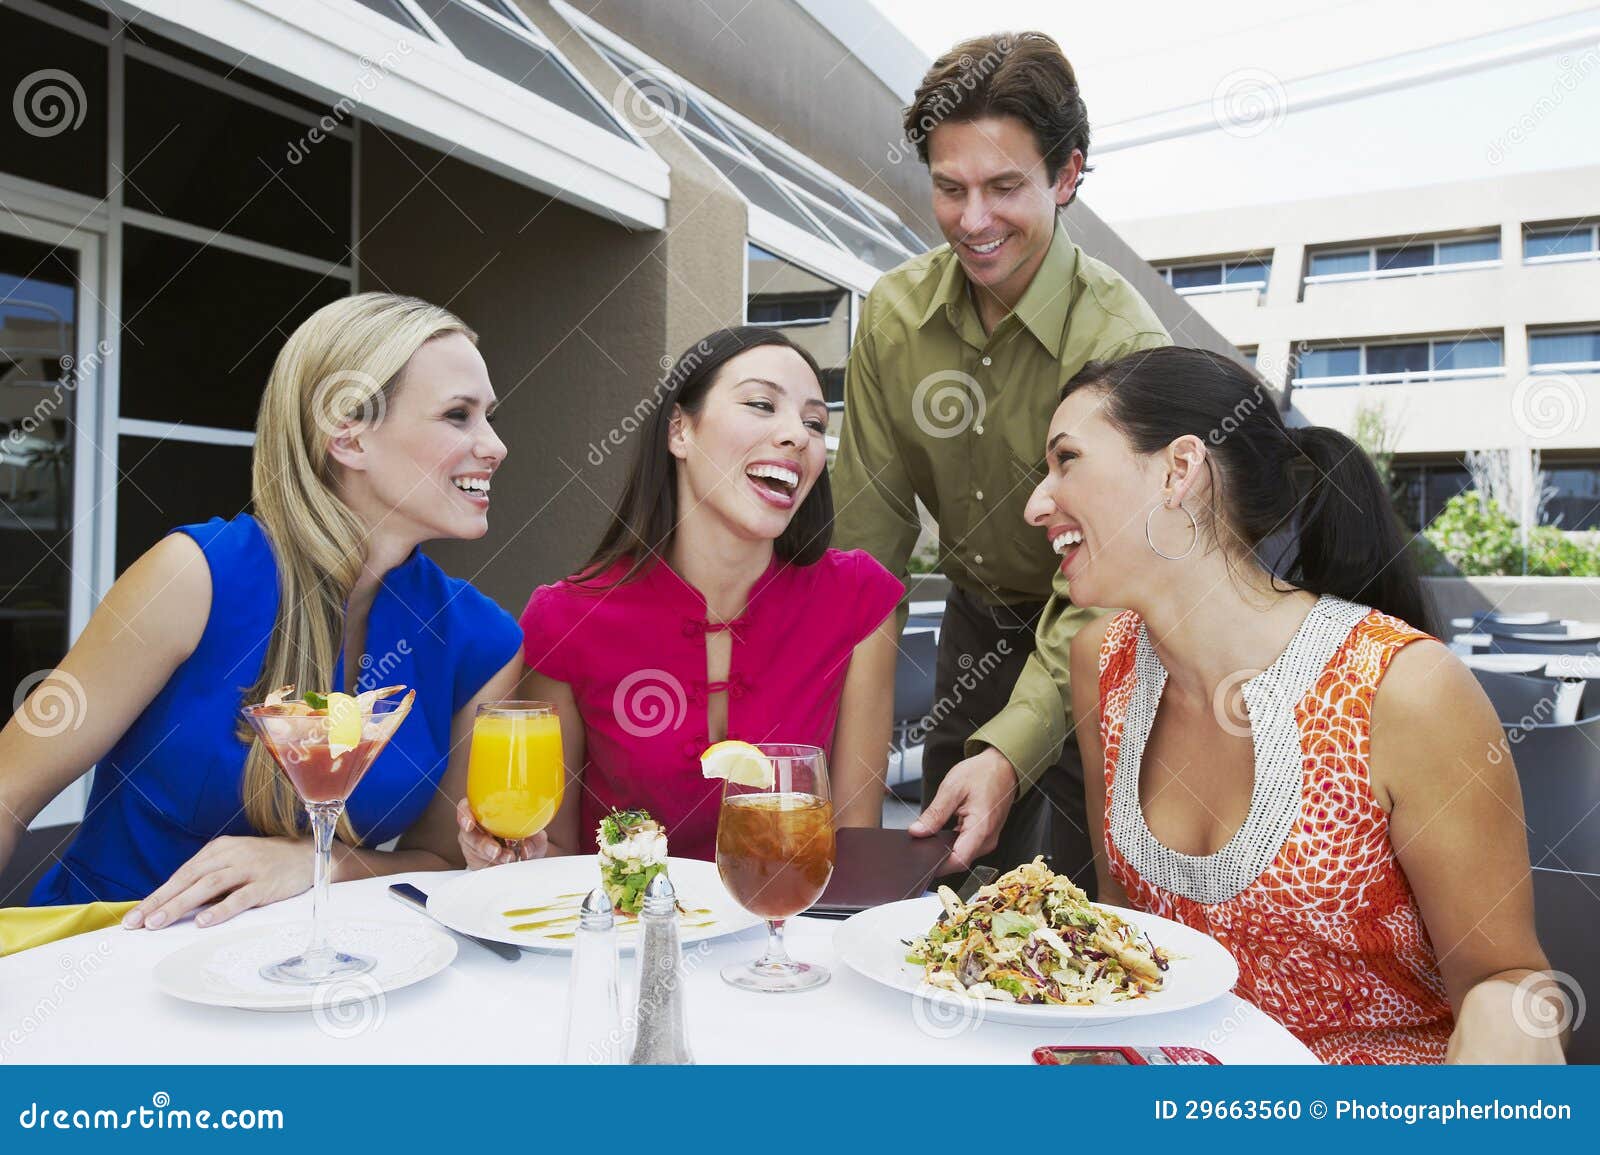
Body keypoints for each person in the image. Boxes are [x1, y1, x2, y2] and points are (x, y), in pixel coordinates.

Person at [1032, 345, 1563, 1063]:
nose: (1037, 504)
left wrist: (1507, 1019)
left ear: (1178, 471)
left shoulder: (1405, 689)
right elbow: (1123, 931)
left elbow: (1508, 981)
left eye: (1067, 460)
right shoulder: (1101, 661)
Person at [0, 293, 526, 927]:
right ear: (348, 435)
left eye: (489, 416)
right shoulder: (194, 578)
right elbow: (7, 791)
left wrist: (318, 862)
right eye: (458, 415)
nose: (495, 446)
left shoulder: (482, 641)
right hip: (107, 950)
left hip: (317, 969)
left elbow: (442, 861)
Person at [832, 31, 1171, 884]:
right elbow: (866, 567)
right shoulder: (893, 317)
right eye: (950, 189)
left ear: (1066, 175)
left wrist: (1010, 751)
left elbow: (1110, 587)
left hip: (1108, 636)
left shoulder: (1123, 342)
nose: (973, 220)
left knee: (1069, 907)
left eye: (1005, 187)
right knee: (940, 894)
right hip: (972, 631)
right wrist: (851, 843)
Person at [457, 327, 902, 867]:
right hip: (623, 919)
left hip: (792, 919)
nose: (797, 436)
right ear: (679, 431)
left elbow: (853, 847)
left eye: (814, 423)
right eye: (762, 404)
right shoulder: (566, 618)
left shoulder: (858, 600)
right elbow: (552, 851)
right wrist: (503, 855)